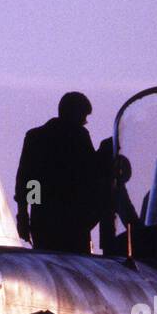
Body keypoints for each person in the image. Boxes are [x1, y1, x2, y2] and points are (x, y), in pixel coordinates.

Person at [14, 92, 104, 253]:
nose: (85, 121)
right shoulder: (79, 136)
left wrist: (26, 213)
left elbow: (29, 181)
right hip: (73, 222)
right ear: (74, 113)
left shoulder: (35, 137)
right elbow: (91, 174)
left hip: (42, 219)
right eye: (83, 116)